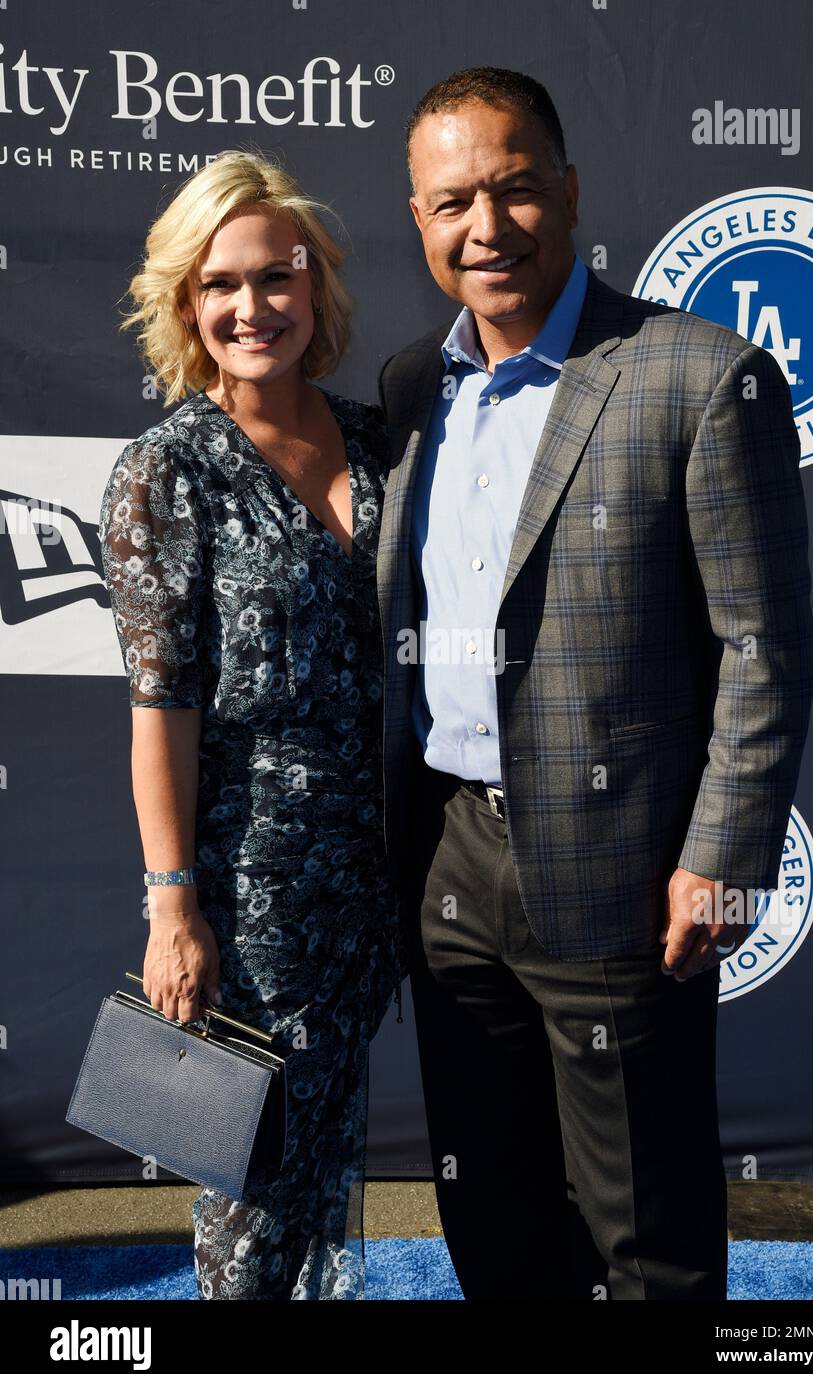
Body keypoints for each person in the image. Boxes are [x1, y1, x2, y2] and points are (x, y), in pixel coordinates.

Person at [376, 68, 813, 1300]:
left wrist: (721, 857)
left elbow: (762, 648)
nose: (486, 227)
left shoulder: (696, 375)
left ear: (567, 193)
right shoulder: (415, 386)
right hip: (448, 860)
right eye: (452, 201)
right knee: (493, 1215)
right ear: (417, 221)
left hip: (625, 868)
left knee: (647, 1236)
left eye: (515, 191)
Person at [99, 147, 404, 1300]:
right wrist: (172, 902)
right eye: (219, 285)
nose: (250, 307)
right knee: (250, 1179)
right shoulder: (164, 474)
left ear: (314, 286)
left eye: (275, 278)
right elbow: (160, 707)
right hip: (252, 884)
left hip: (384, 870)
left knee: (329, 1158)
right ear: (186, 303)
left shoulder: (383, 439)